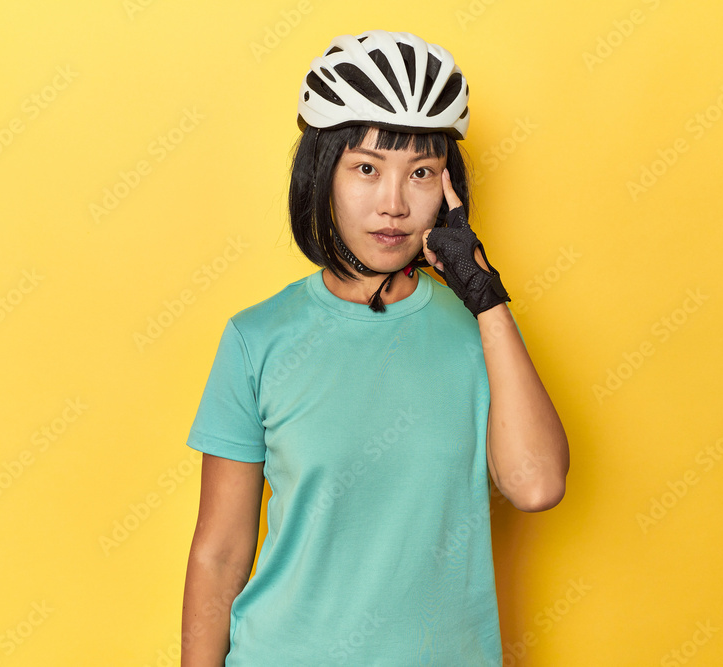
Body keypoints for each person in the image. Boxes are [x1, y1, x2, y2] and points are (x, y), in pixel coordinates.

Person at [180, 29, 569, 666]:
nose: (392, 204)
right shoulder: (257, 338)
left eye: (420, 173)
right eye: (366, 168)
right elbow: (220, 552)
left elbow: (536, 485)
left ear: (448, 191)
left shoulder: (480, 334)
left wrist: (485, 295)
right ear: (322, 177)